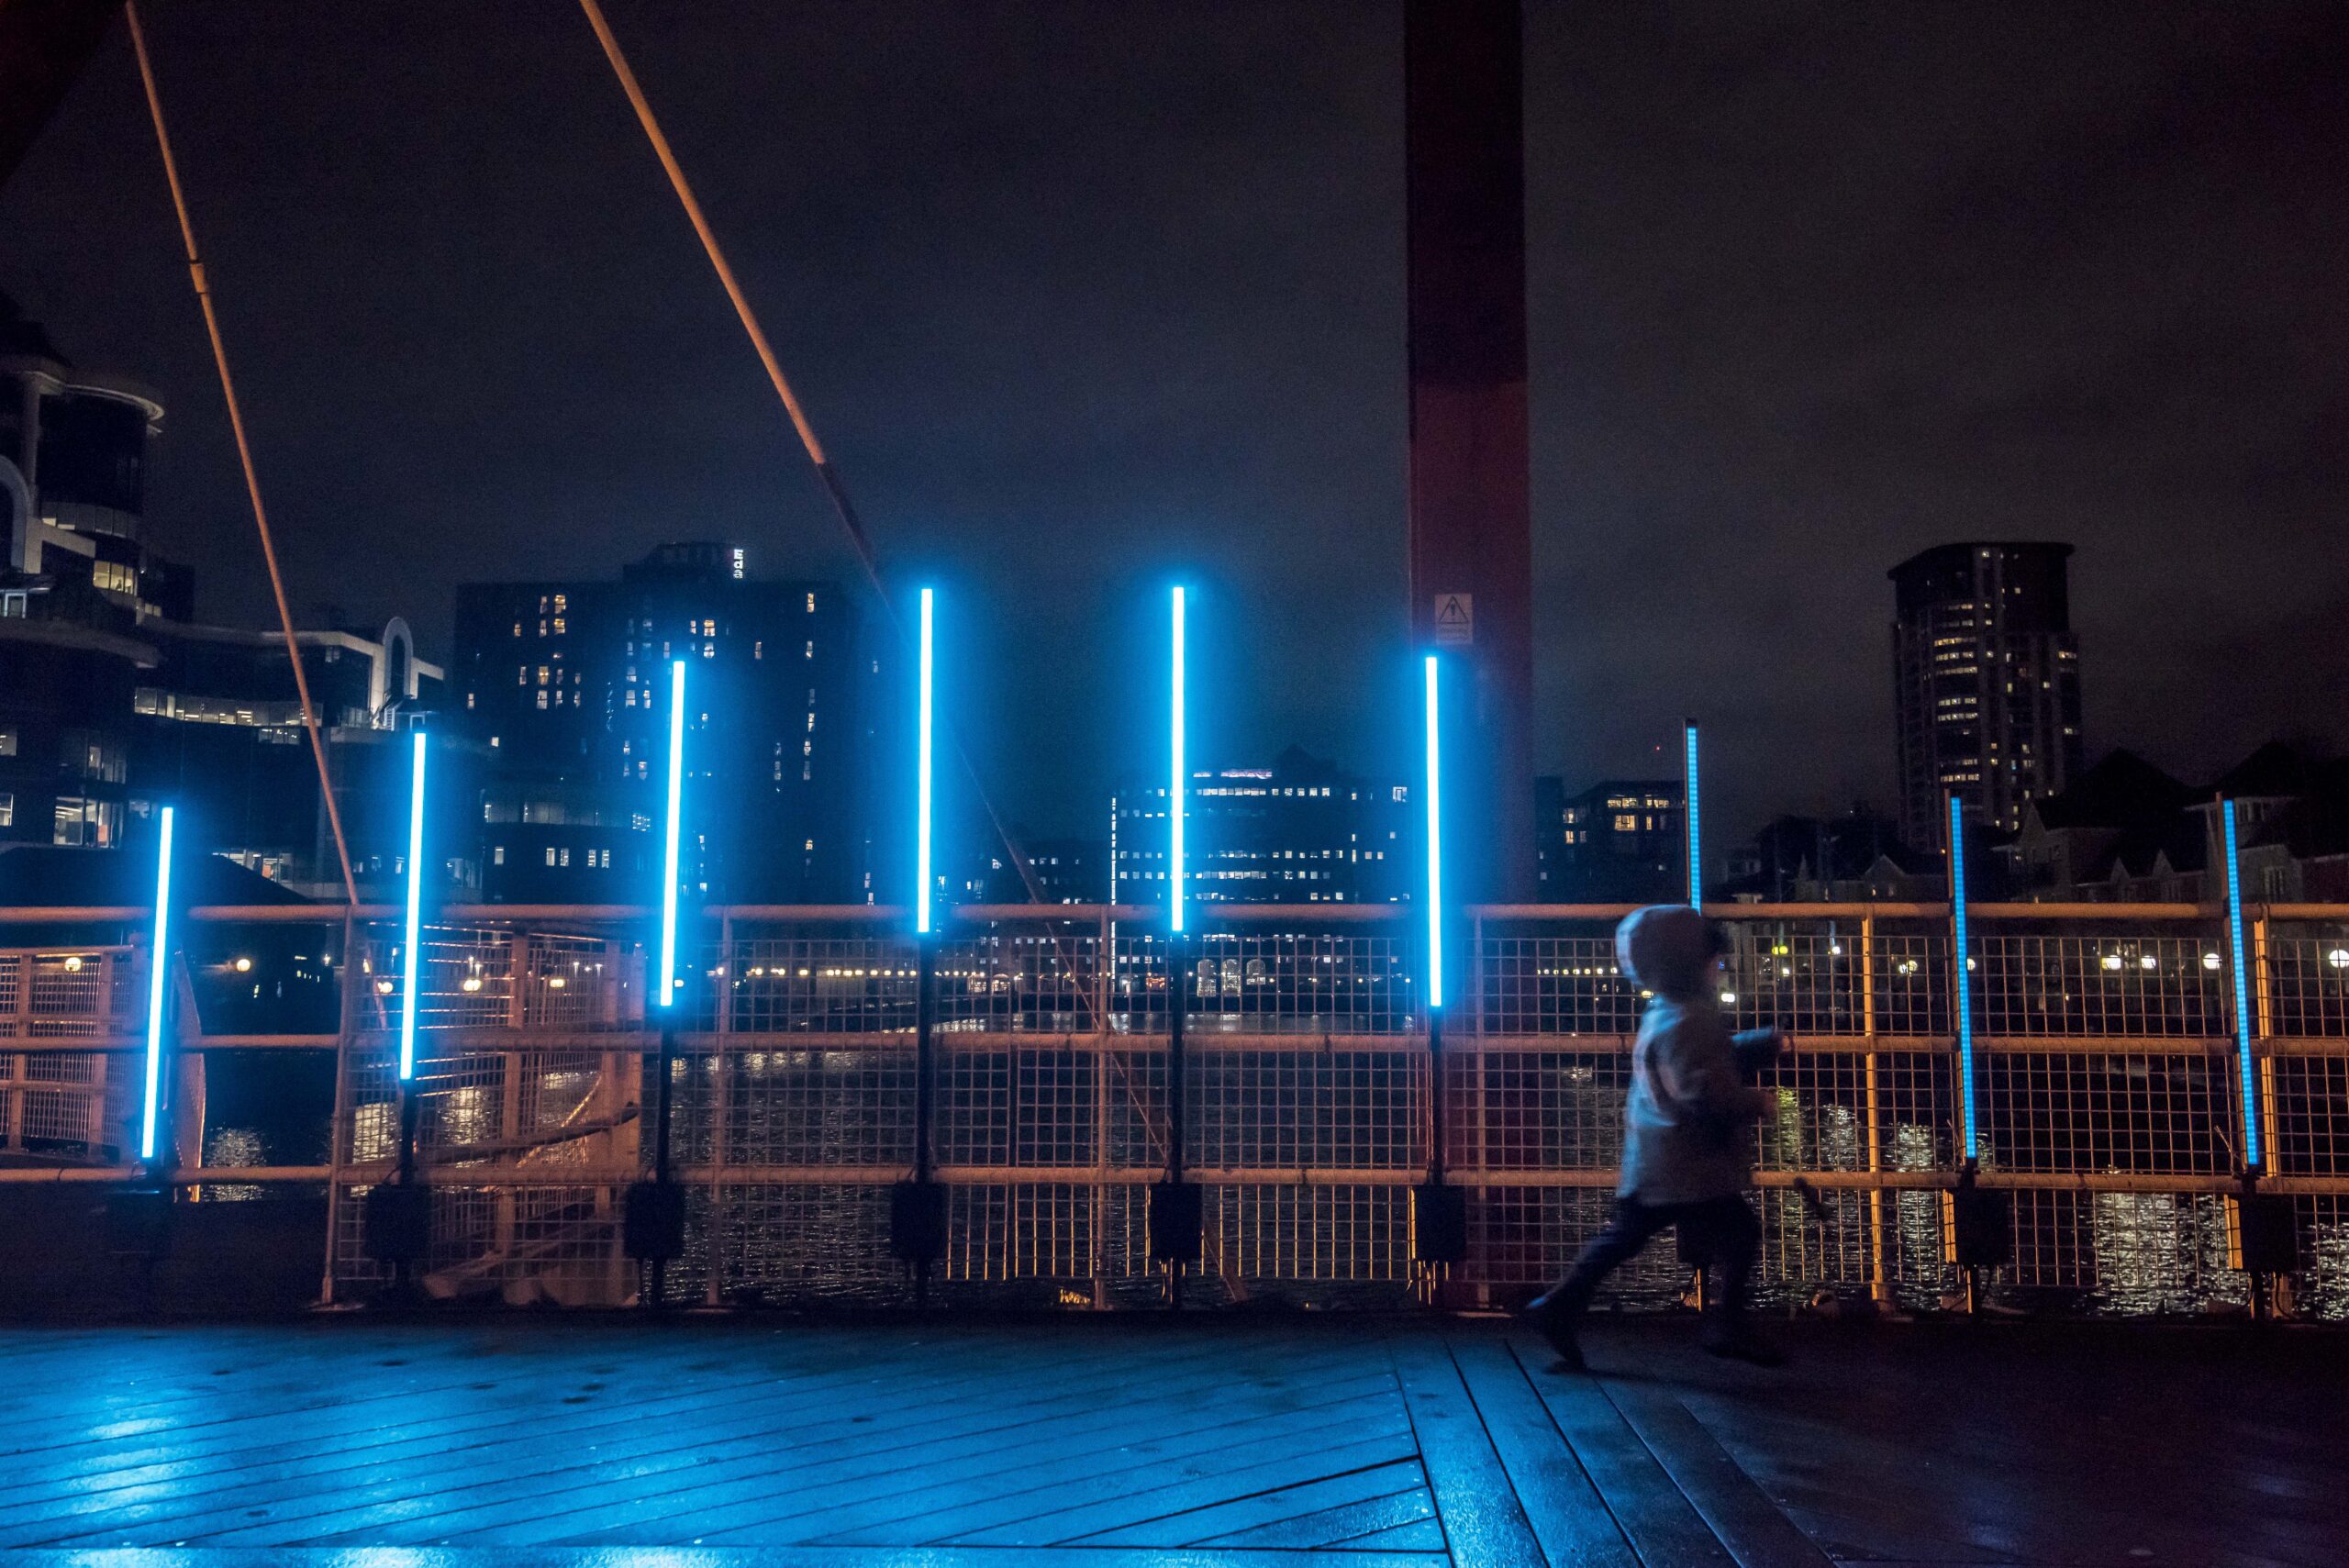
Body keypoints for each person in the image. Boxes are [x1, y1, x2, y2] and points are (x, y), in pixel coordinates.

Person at [1527, 903, 1785, 1369]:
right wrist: (1756, 1103)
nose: (1719, 970)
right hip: (1690, 1164)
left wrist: (1753, 1046)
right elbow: (1702, 1090)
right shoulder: (1693, 1018)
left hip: (1656, 1158)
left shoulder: (1666, 1011)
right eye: (1714, 961)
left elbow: (1696, 1063)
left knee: (1624, 1238)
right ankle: (1727, 1325)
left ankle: (1560, 1305)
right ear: (1690, 963)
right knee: (1741, 1232)